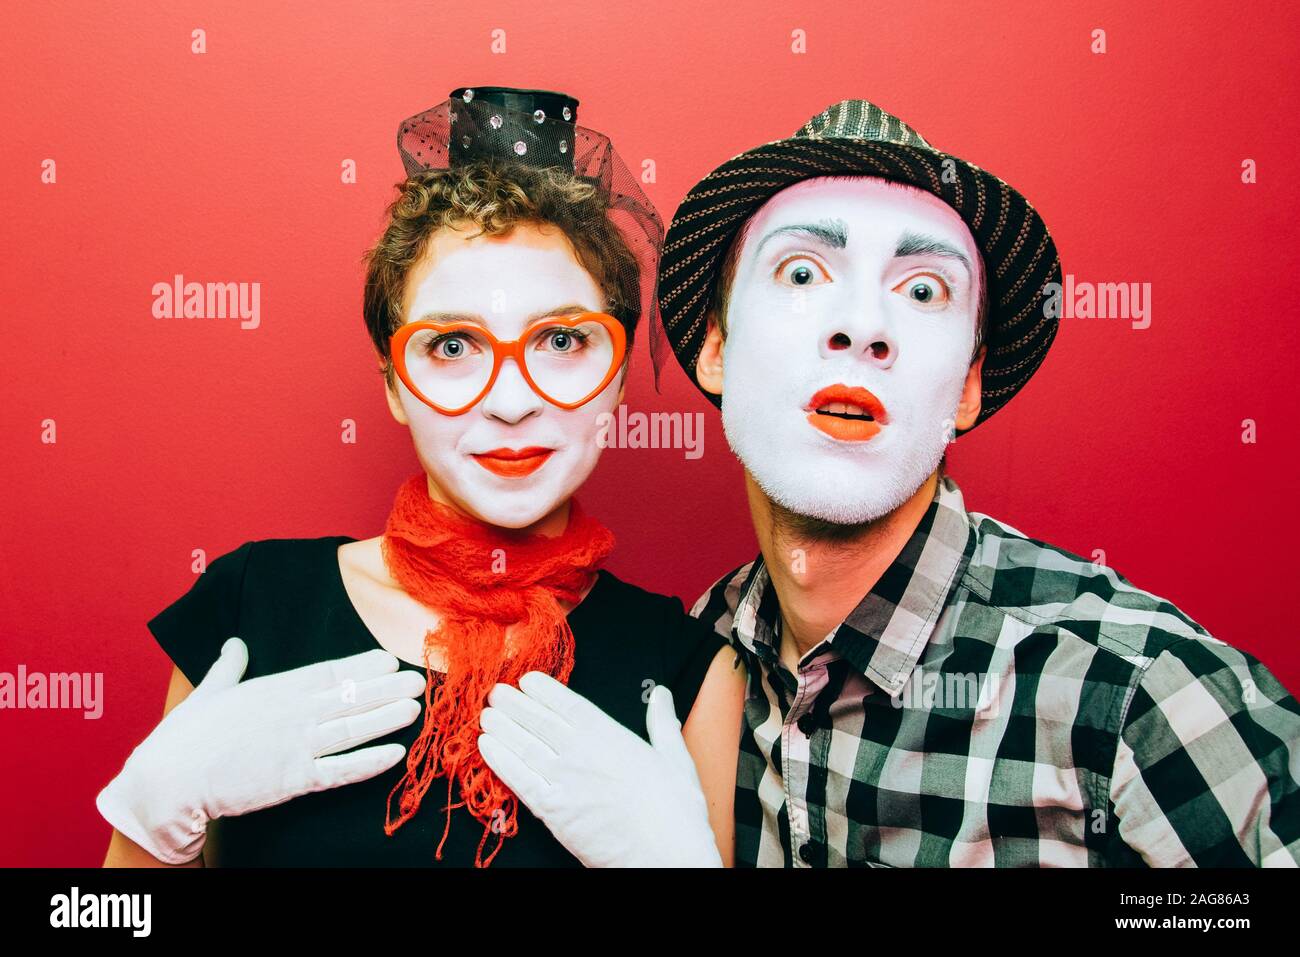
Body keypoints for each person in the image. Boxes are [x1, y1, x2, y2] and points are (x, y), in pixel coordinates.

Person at [478, 98, 1300, 867]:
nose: (863, 325)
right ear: (715, 349)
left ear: (970, 386)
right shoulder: (699, 660)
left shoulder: (1138, 696)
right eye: (802, 274)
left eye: (922, 290)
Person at [95, 87, 745, 868]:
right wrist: (150, 821)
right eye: (451, 346)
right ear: (394, 386)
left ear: (614, 379)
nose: (511, 402)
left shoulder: (688, 670)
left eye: (564, 338)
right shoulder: (254, 603)